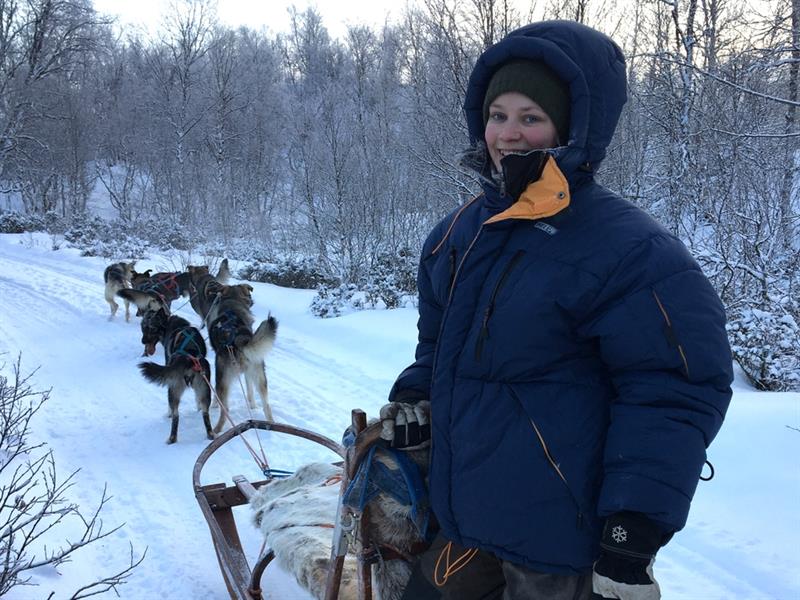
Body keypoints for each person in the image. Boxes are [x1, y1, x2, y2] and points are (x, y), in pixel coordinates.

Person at [379, 19, 734, 600]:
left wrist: (633, 530)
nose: (509, 134)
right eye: (498, 115)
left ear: (571, 127)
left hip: (559, 546)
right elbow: (438, 347)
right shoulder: (456, 235)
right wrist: (415, 398)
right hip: (464, 523)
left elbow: (673, 390)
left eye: (531, 117)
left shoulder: (630, 251)